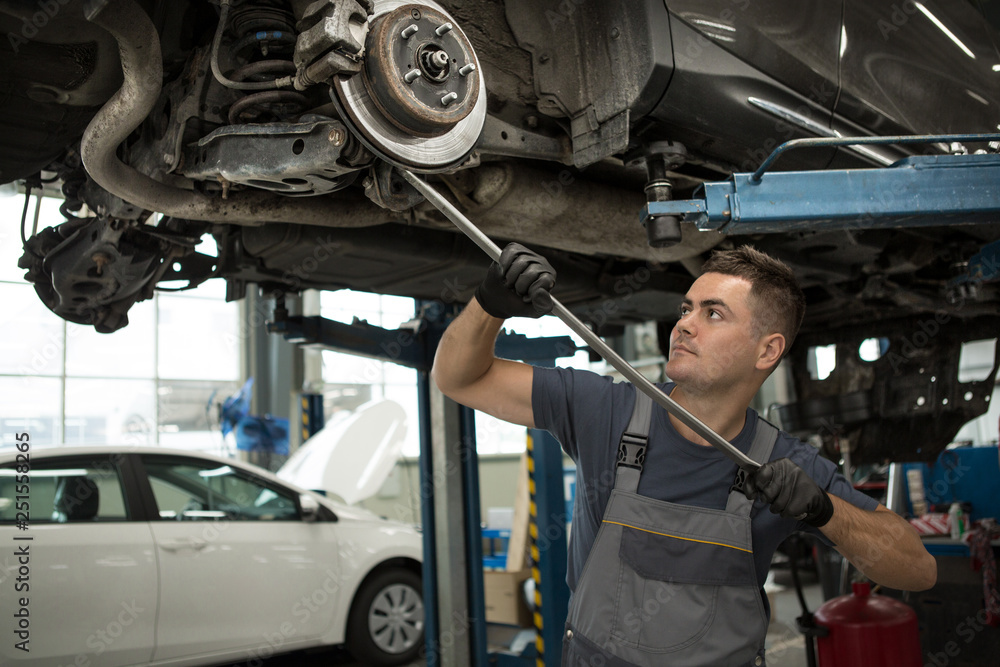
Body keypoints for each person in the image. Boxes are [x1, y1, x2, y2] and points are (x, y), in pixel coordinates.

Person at [432, 243, 937, 667]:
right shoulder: (604, 410)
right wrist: (489, 304)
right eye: (685, 309)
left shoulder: (782, 466)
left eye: (713, 313)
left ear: (767, 352)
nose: (684, 325)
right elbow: (459, 378)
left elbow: (917, 570)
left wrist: (824, 511)